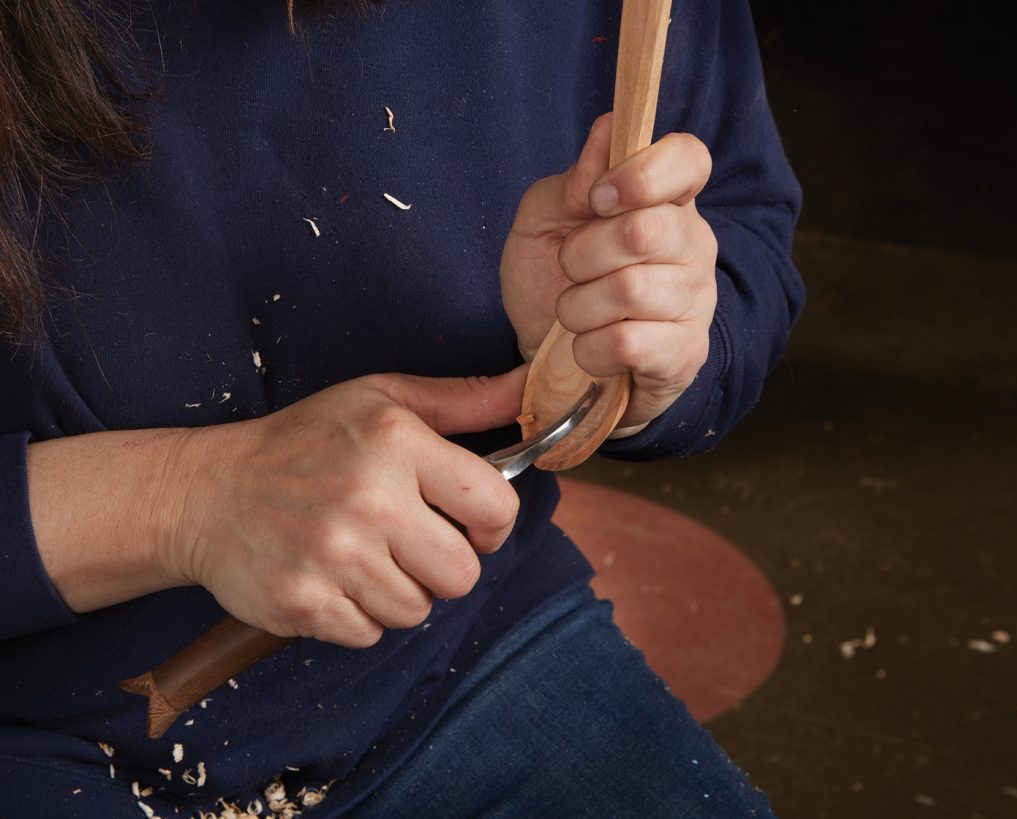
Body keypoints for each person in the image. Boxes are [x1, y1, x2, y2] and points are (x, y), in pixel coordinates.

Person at [0, 1, 804, 816]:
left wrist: (620, 340)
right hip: (33, 723)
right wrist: (178, 499)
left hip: (452, 643)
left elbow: (741, 221)